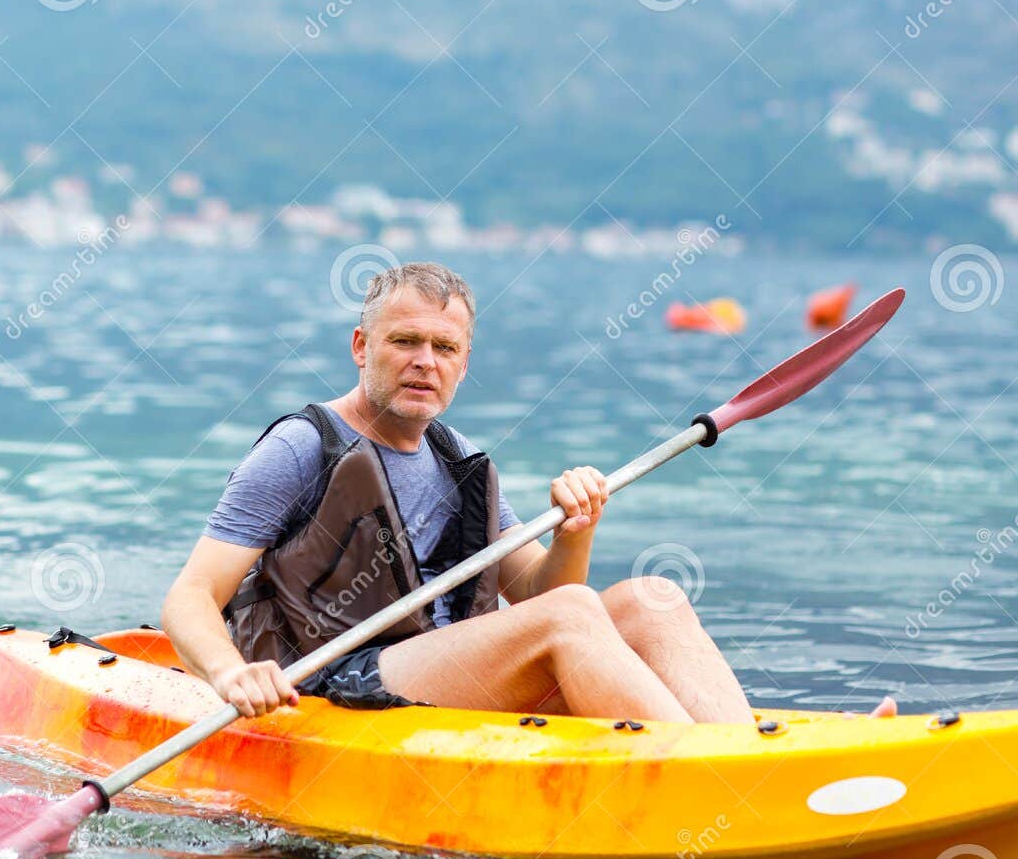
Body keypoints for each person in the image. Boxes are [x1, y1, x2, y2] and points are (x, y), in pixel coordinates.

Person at [161, 262, 896, 724]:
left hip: (438, 665)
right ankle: (716, 779)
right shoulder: (303, 446)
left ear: (464, 362)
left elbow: (543, 594)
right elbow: (190, 595)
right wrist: (231, 673)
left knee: (652, 598)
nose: (424, 361)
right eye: (404, 341)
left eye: (444, 348)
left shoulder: (457, 461)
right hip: (334, 678)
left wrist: (579, 527)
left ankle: (744, 757)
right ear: (361, 347)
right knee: (575, 616)